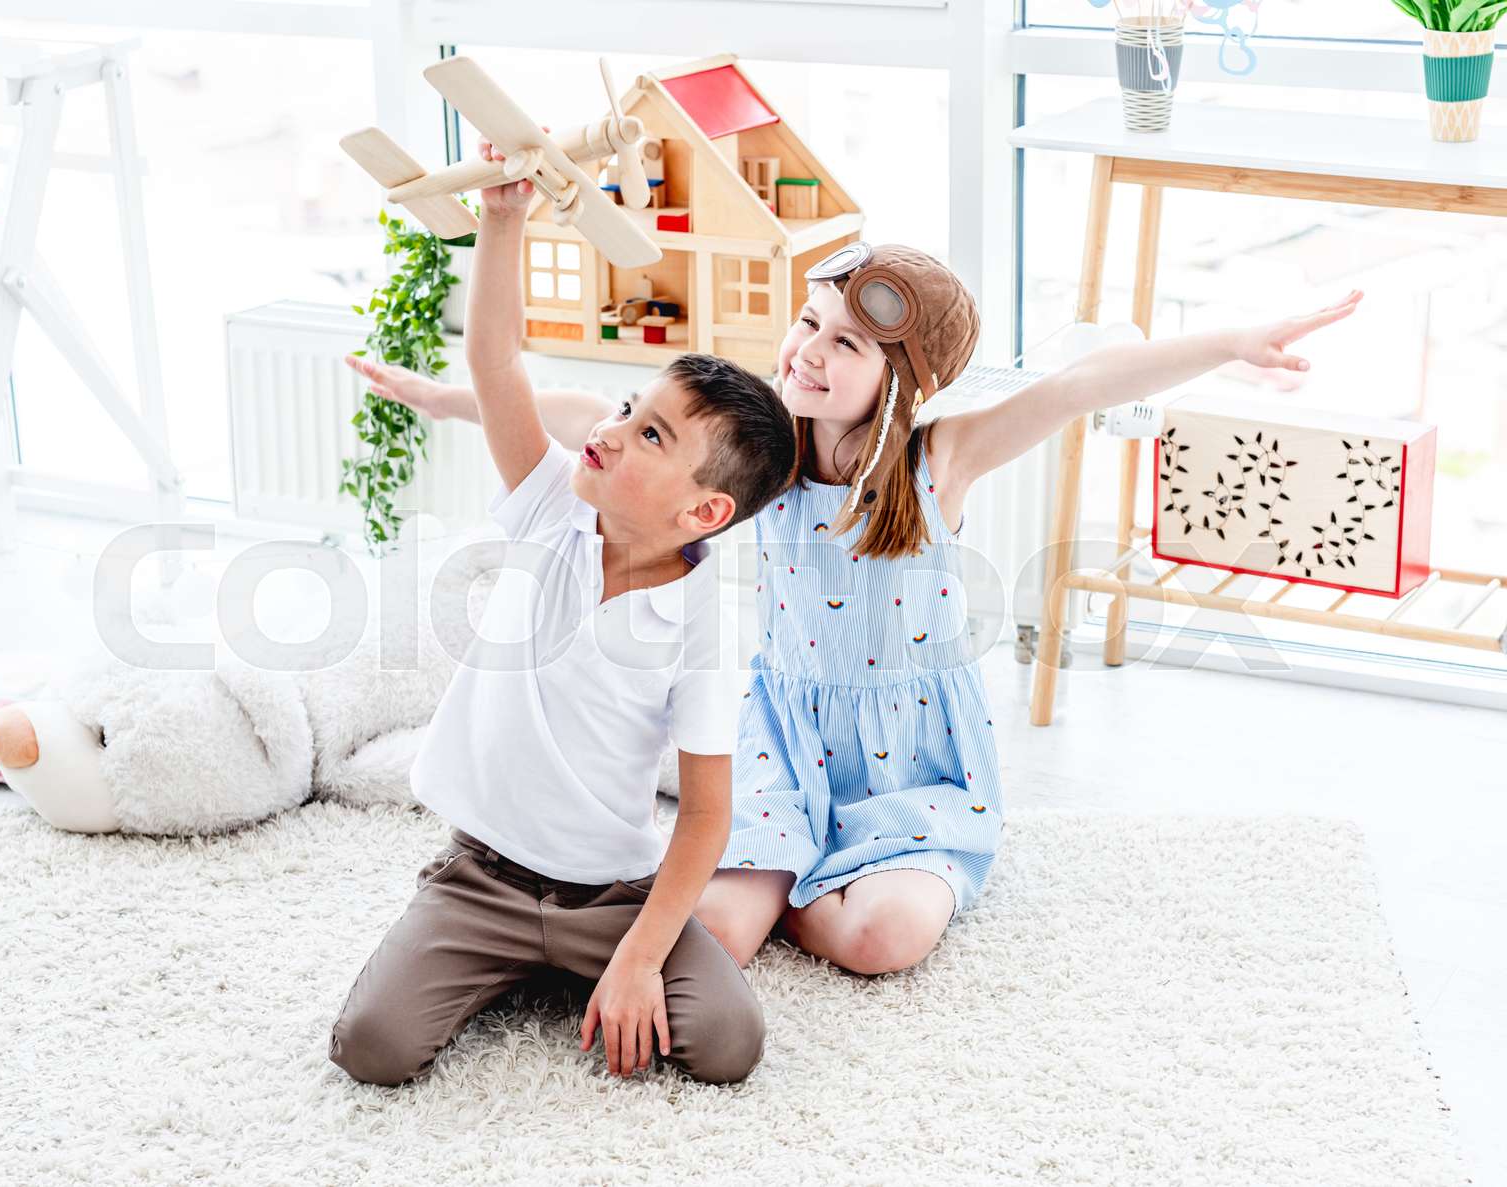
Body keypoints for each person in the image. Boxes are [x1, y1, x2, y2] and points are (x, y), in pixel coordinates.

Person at [354, 240, 1361, 978]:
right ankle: (784, 873)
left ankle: (820, 883)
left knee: (880, 940)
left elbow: (1079, 383)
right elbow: (578, 414)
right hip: (782, 742)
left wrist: (1232, 338)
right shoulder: (763, 456)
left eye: (845, 343)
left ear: (897, 379)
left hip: (909, 758)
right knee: (704, 942)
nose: (810, 352)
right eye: (808, 324)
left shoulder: (938, 460)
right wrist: (447, 398)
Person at [327, 137, 796, 1086]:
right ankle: (499, 958)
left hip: (612, 898)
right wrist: (504, 220)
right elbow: (498, 361)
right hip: (481, 879)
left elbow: (705, 817)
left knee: (729, 1046)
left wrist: (634, 957)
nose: (611, 431)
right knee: (370, 1048)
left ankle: (567, 966)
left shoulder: (707, 620)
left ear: (702, 512)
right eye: (629, 407)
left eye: (649, 434)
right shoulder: (550, 501)